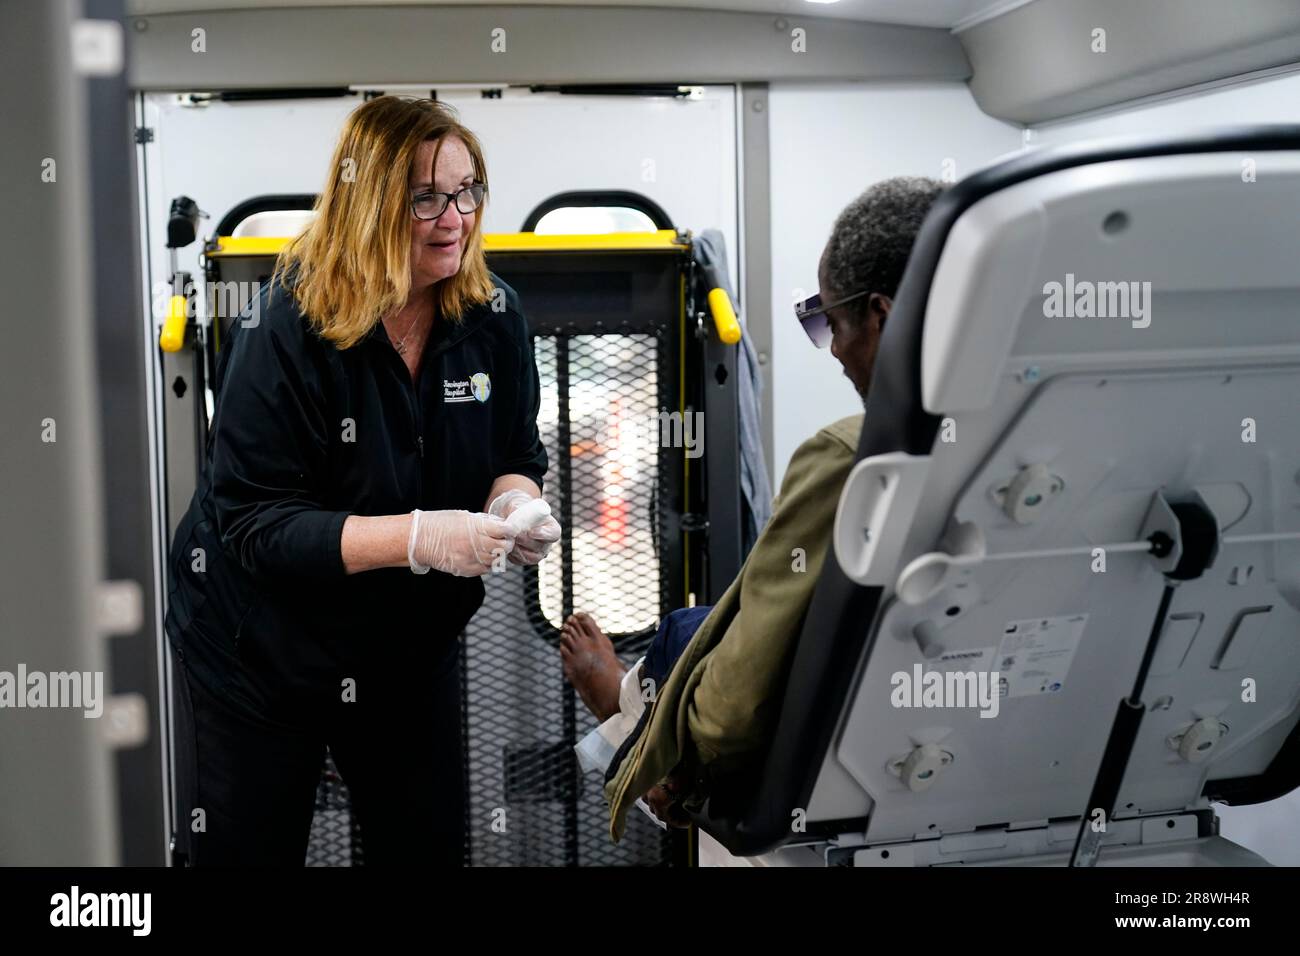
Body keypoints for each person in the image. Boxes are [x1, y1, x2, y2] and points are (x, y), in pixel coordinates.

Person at [164, 95, 560, 866]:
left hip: (405, 651)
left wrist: (519, 502)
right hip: (262, 650)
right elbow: (258, 525)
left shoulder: (493, 315)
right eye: (426, 198)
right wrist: (419, 538)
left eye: (469, 190)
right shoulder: (286, 325)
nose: (456, 218)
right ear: (371, 201)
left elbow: (517, 448)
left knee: (424, 850)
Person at [556, 176, 945, 839]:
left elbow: (733, 707)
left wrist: (683, 760)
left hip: (819, 752)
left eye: (828, 320)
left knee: (689, 633)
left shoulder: (848, 457)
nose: (834, 352)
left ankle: (629, 718)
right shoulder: (1042, 441)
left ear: (880, 316)